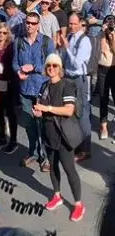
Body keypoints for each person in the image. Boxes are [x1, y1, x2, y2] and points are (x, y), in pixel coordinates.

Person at [34, 54, 86, 222]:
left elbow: (68, 110)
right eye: (48, 65)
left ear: (60, 68)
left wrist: (47, 108)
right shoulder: (44, 86)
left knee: (69, 168)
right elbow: (40, 106)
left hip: (64, 134)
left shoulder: (67, 85)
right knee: (53, 166)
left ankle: (78, 204)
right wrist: (39, 112)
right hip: (48, 132)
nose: (51, 68)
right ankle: (57, 195)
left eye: (55, 66)